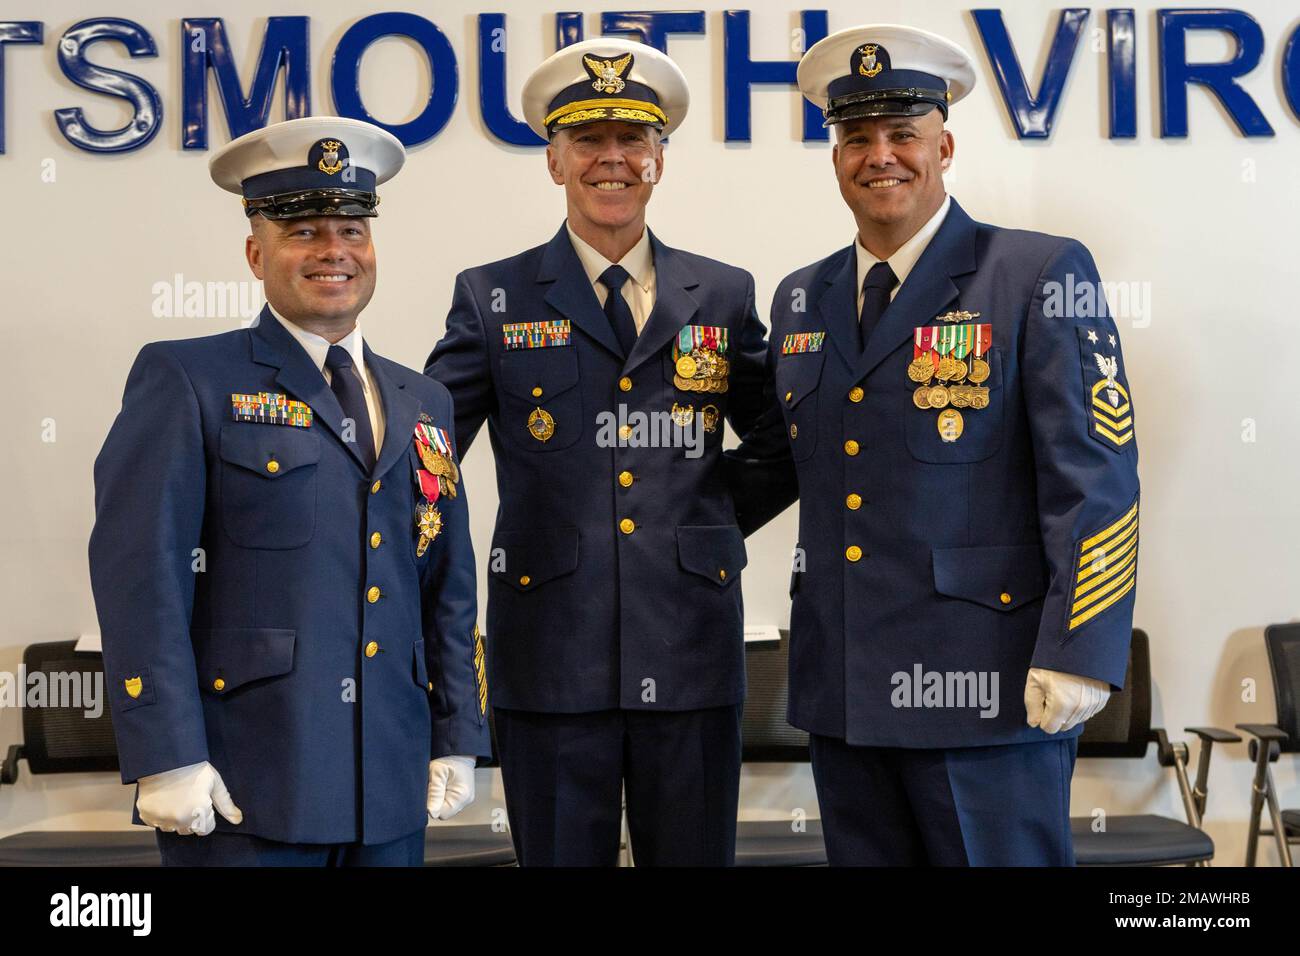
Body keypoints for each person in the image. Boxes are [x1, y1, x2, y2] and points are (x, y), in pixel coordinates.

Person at [748, 24, 1140, 865]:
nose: (879, 155)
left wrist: (1082, 651)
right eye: (857, 137)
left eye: (902, 134)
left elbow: (1097, 478)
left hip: (987, 694)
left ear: (944, 144)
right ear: (836, 156)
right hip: (845, 692)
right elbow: (781, 466)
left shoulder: (1036, 273)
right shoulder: (800, 299)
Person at [88, 116, 490, 866]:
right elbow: (139, 577)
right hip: (248, 786)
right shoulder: (188, 379)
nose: (333, 250)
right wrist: (165, 752)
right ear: (255, 251)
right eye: (303, 230)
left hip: (392, 783)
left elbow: (447, 584)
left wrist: (458, 733)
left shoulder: (422, 398)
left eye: (351, 229)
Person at [424, 38, 779, 865]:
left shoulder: (723, 293)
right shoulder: (493, 296)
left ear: (661, 160)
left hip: (688, 644)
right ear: (554, 160)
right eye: (589, 141)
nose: (611, 159)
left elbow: (780, 438)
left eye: (633, 141)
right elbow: (430, 454)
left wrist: (705, 521)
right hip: (549, 653)